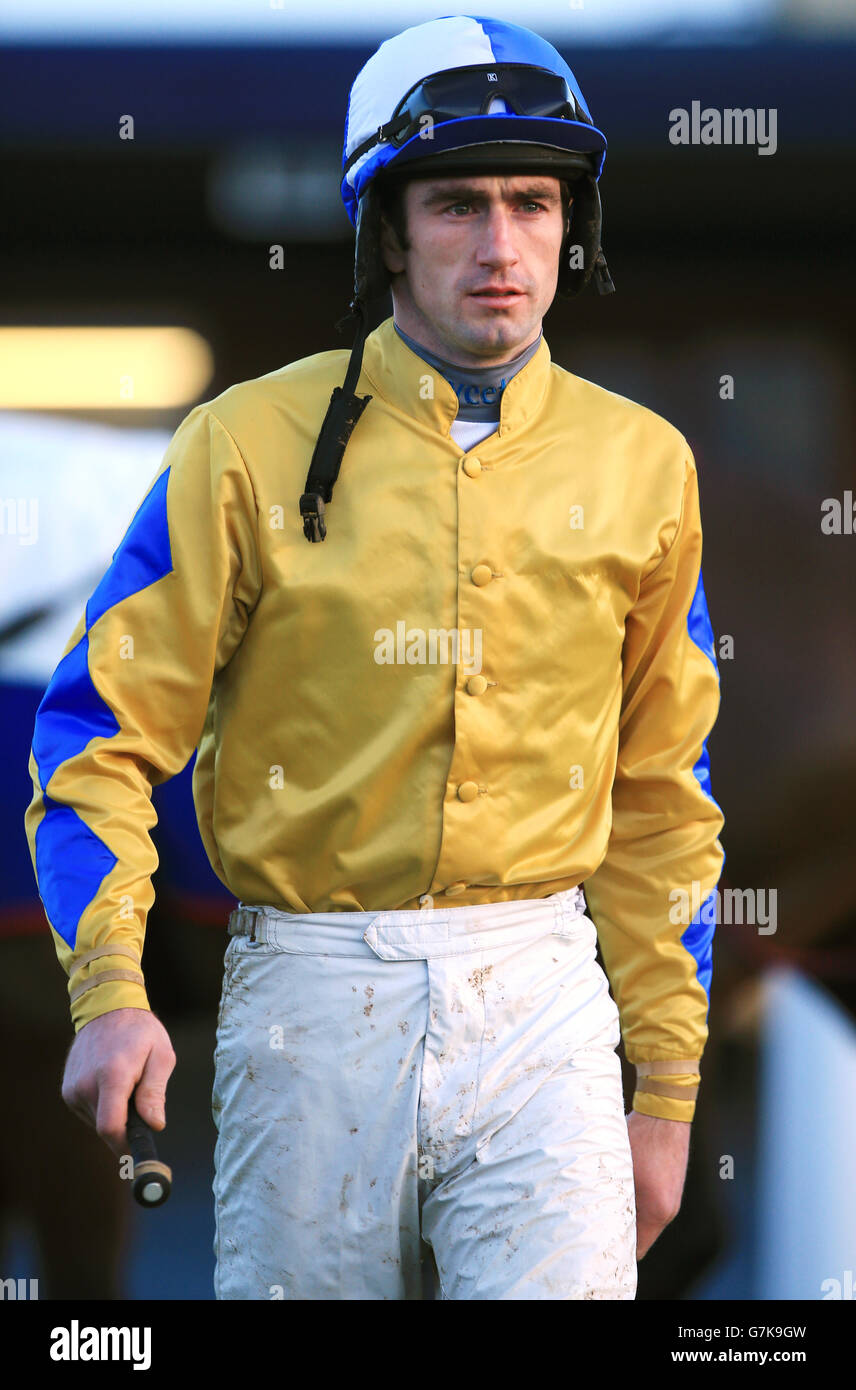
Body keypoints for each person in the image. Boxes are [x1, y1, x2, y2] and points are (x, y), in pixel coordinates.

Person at [25, 15, 725, 1300]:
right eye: (458, 203)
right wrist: (110, 988)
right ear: (386, 230)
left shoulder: (647, 464)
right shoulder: (238, 444)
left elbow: (663, 797)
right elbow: (96, 740)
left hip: (544, 997)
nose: (504, 244)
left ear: (576, 223)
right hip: (308, 997)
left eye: (536, 201)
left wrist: (667, 1093)